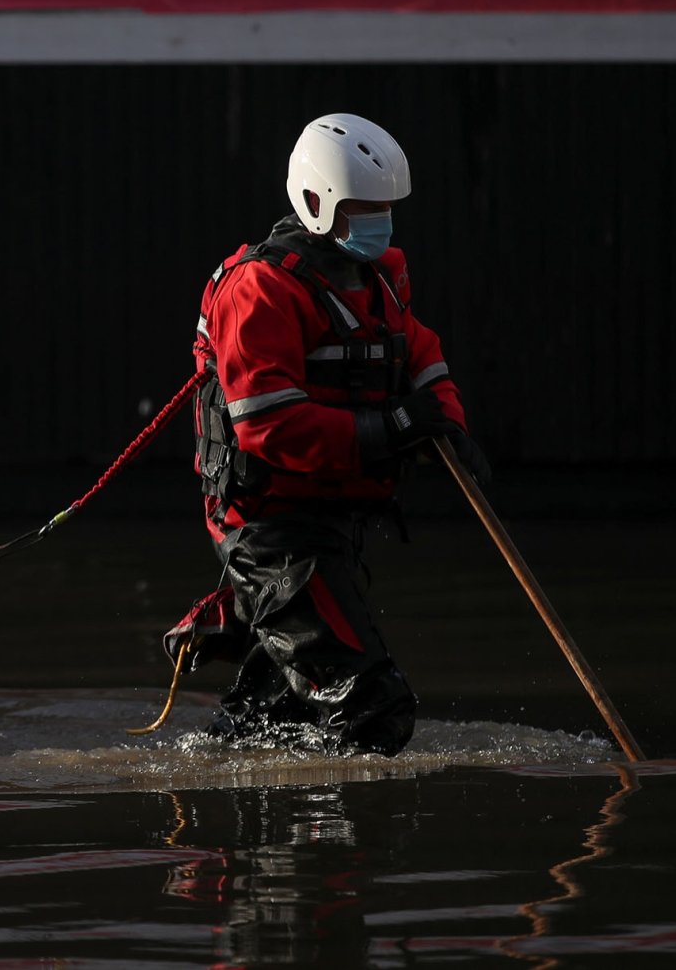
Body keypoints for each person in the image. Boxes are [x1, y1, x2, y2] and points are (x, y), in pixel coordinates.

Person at [168, 113, 489, 756]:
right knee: (372, 707)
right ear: (317, 202)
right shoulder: (261, 291)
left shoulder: (377, 277)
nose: (380, 223)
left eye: (385, 209)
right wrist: (396, 425)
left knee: (268, 728)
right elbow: (269, 427)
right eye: (363, 210)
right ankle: (332, 856)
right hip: (275, 530)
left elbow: (417, 350)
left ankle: (229, 833)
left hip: (334, 522)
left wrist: (446, 422)